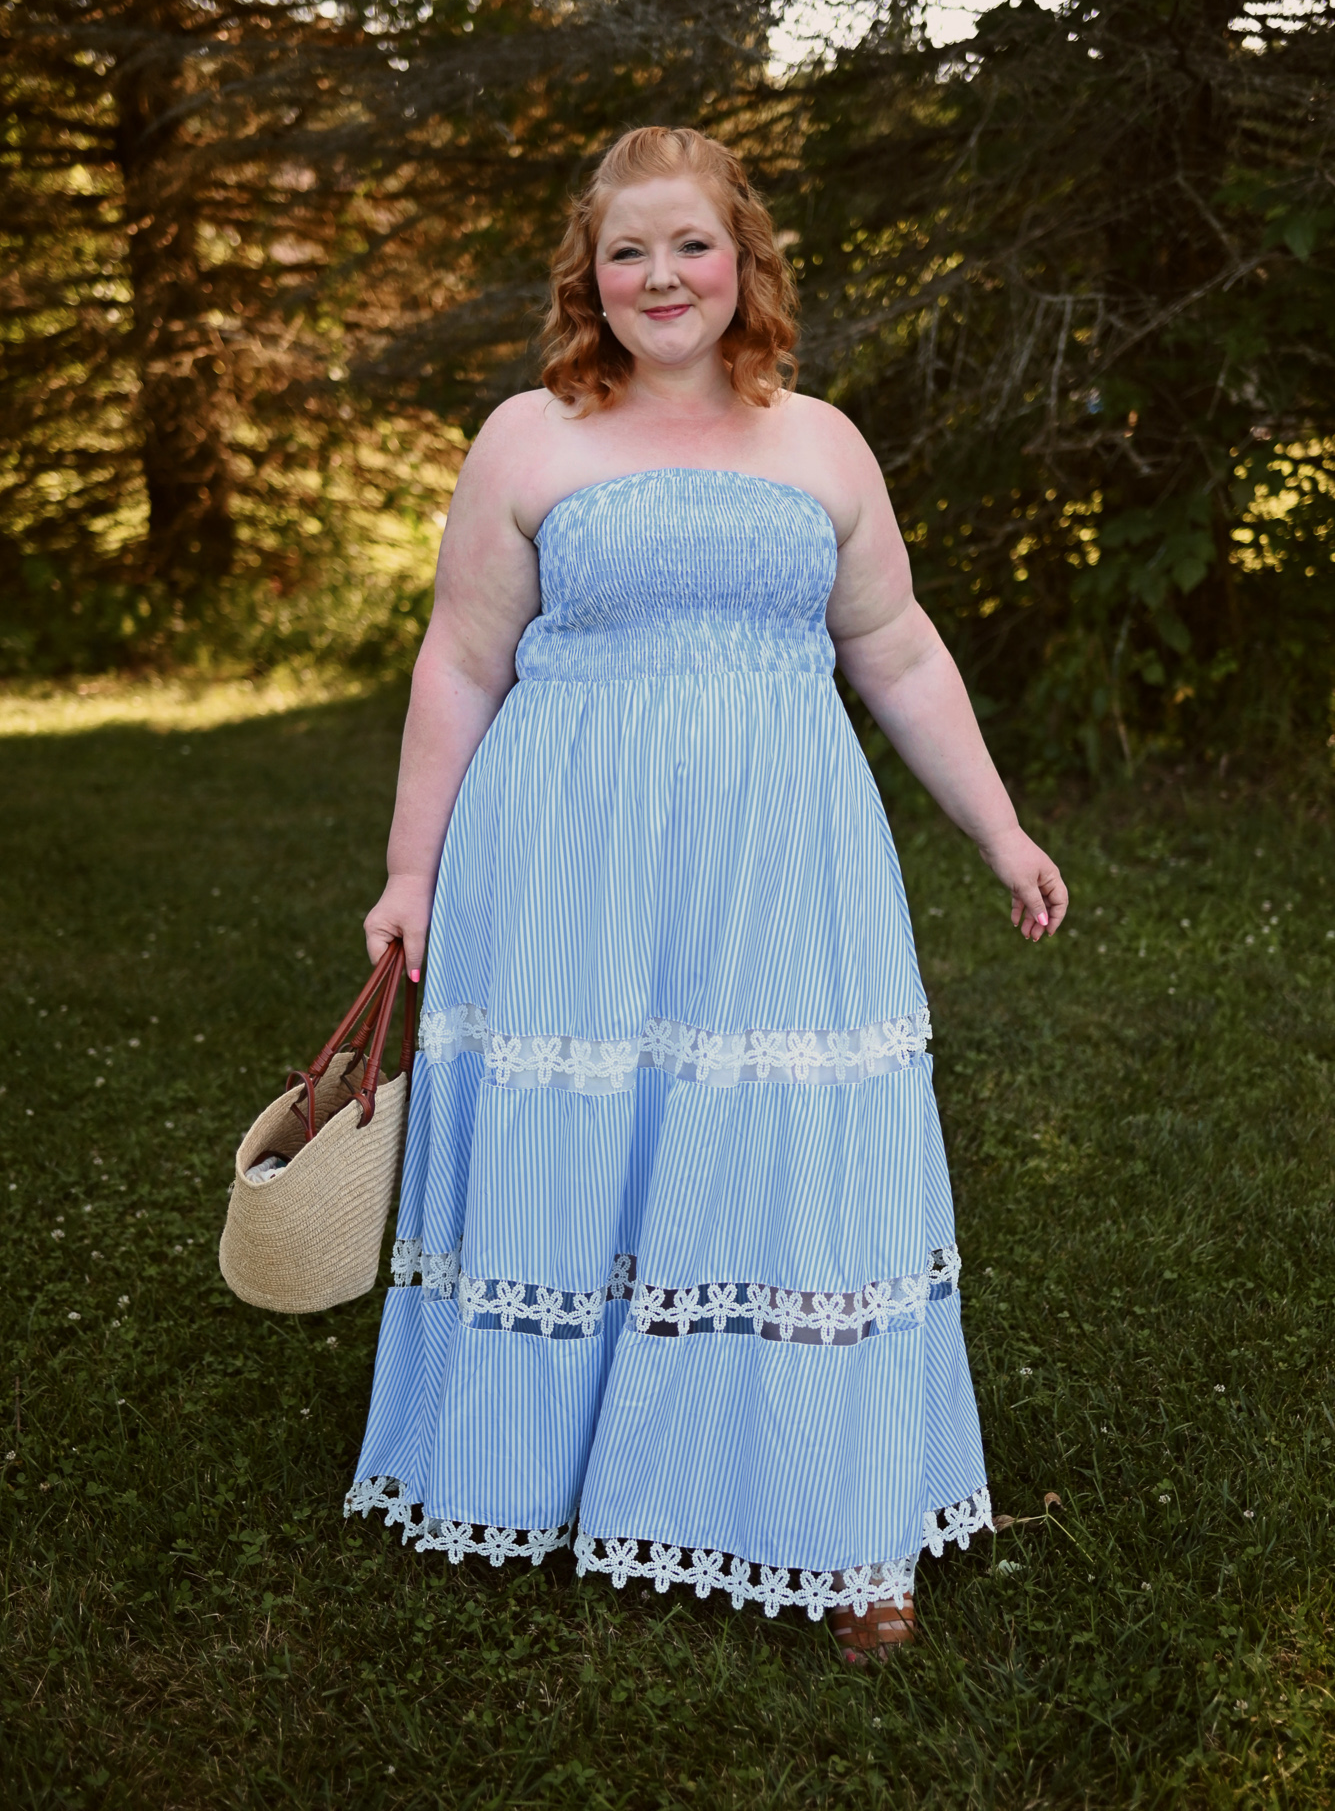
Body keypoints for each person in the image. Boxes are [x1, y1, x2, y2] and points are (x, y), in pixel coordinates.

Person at [348, 126, 1067, 1663]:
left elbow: (899, 651)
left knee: (792, 1148)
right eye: (627, 251)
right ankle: (531, 1476)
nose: (659, 276)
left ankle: (840, 1519)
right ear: (585, 275)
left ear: (744, 260)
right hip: (566, 857)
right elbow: (462, 661)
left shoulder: (821, 442)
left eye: (689, 245)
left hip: (779, 856)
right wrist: (413, 870)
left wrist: (1001, 833)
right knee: (590, 1140)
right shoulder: (528, 439)